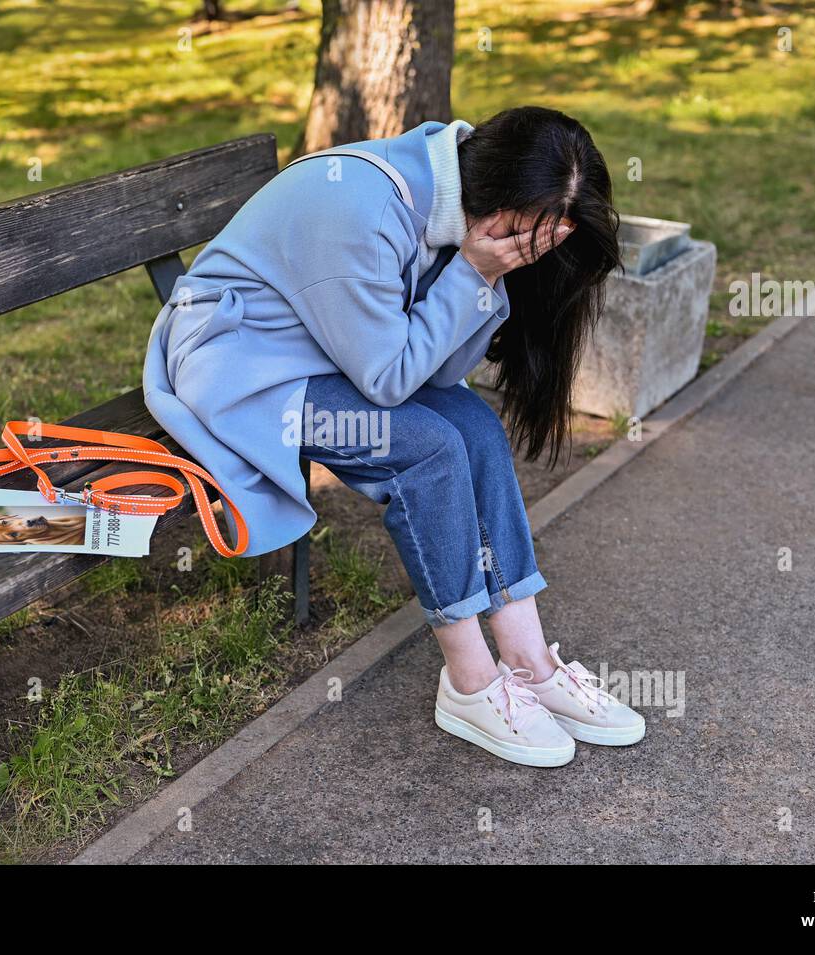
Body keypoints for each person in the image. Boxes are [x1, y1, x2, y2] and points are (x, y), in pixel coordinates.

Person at [144, 106, 644, 766]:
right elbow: (388, 380)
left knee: (474, 427)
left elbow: (430, 372)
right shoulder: (367, 213)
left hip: (324, 353)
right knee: (426, 448)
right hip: (241, 368)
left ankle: (528, 660)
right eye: (526, 240)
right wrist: (476, 272)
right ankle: (468, 683)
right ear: (491, 195)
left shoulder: (461, 202)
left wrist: (482, 271)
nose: (529, 256)